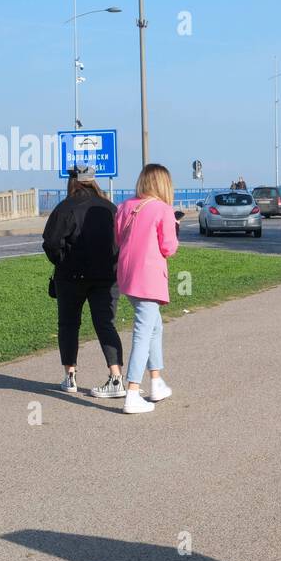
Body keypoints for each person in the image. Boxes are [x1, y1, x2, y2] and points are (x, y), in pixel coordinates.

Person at [42, 167, 125, 397]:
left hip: (70, 276)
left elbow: (50, 242)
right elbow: (120, 241)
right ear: (93, 181)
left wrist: (62, 260)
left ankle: (70, 376)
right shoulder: (109, 208)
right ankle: (116, 377)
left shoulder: (65, 207)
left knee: (68, 324)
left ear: (73, 182)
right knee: (105, 324)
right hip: (106, 276)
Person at [115, 164, 179, 415]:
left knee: (154, 326)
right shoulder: (163, 210)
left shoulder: (125, 207)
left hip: (128, 275)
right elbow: (168, 248)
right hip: (149, 278)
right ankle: (132, 391)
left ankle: (156, 381)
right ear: (164, 184)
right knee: (143, 332)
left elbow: (119, 239)